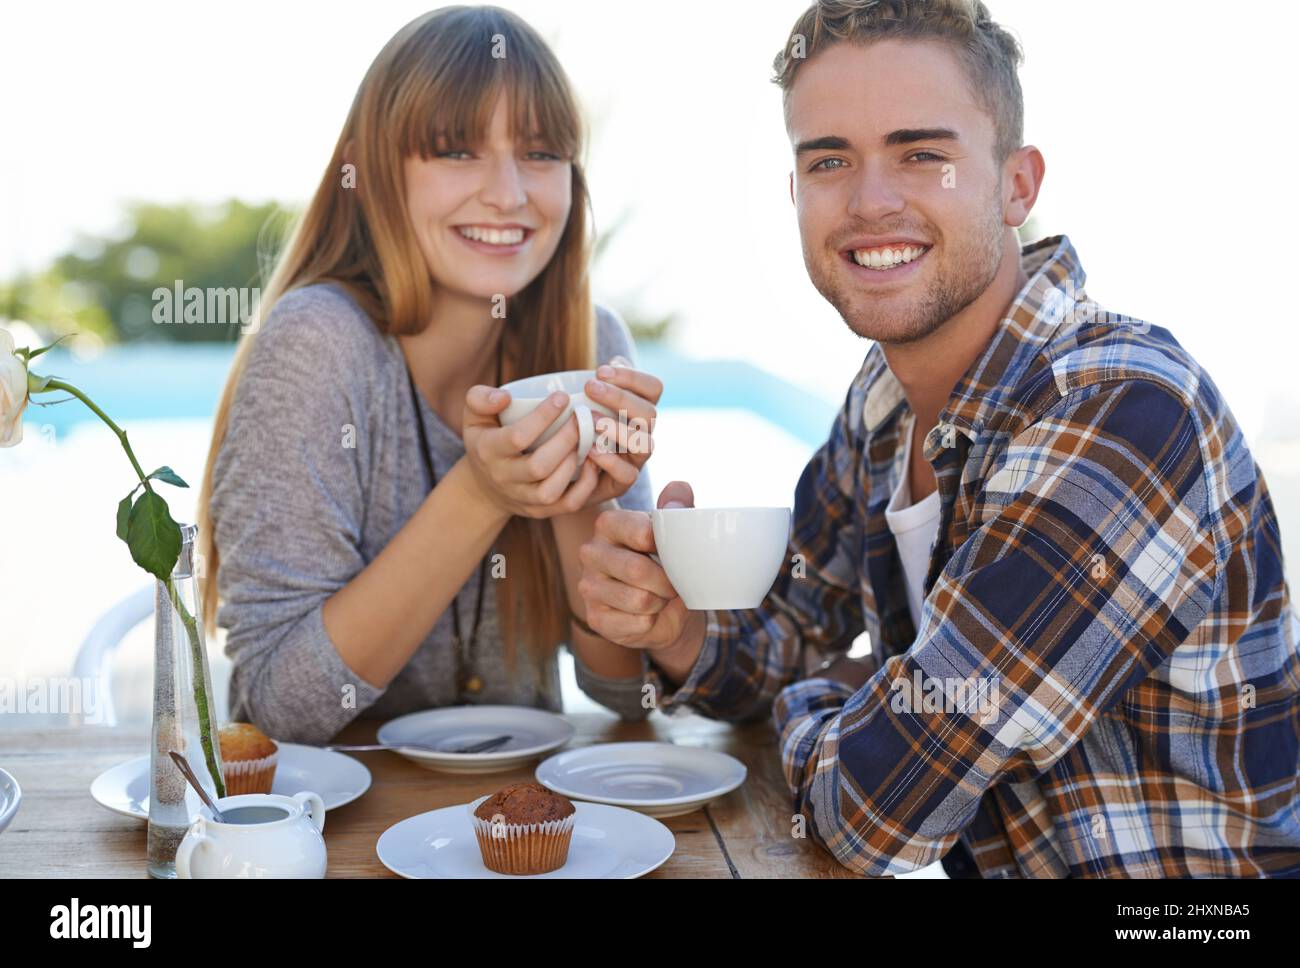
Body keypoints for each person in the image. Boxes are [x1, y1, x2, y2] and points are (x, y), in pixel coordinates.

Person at [576, 0, 1300, 878]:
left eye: (923, 154)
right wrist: (680, 627)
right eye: (831, 160)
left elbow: (875, 814)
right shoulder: (882, 405)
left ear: (1017, 185)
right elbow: (780, 642)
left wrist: (838, 696)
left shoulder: (1123, 413)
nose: (871, 201)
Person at [196, 6, 661, 745]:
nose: (509, 193)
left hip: (521, 833)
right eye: (457, 152)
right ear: (375, 172)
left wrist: (582, 504)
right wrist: (479, 493)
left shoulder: (592, 343)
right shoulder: (318, 346)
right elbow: (279, 709)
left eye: (541, 154)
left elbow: (630, 693)